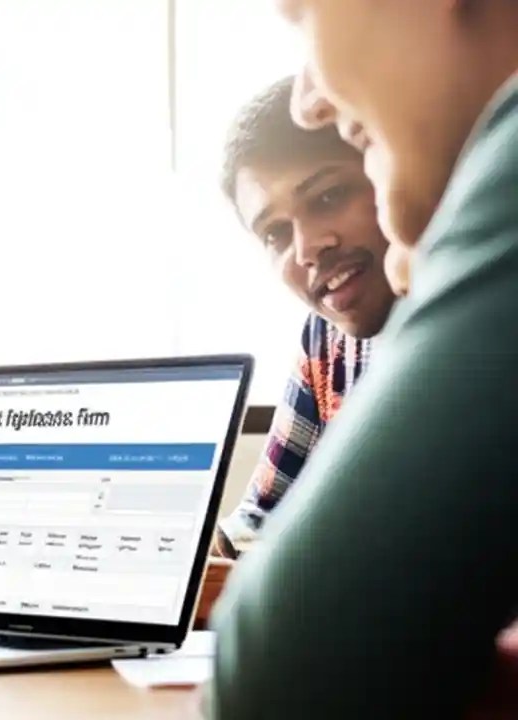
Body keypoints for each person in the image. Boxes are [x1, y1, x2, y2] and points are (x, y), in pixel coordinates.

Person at [207, 0, 518, 717]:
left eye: (302, 11)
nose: (310, 98)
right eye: (275, 234)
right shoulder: (331, 342)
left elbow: (288, 662)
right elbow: (258, 535)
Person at [192, 75, 399, 625]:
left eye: (329, 197)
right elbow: (261, 517)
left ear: (389, 167)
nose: (309, 248)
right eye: (276, 234)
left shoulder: (481, 317)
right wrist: (198, 546)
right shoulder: (326, 337)